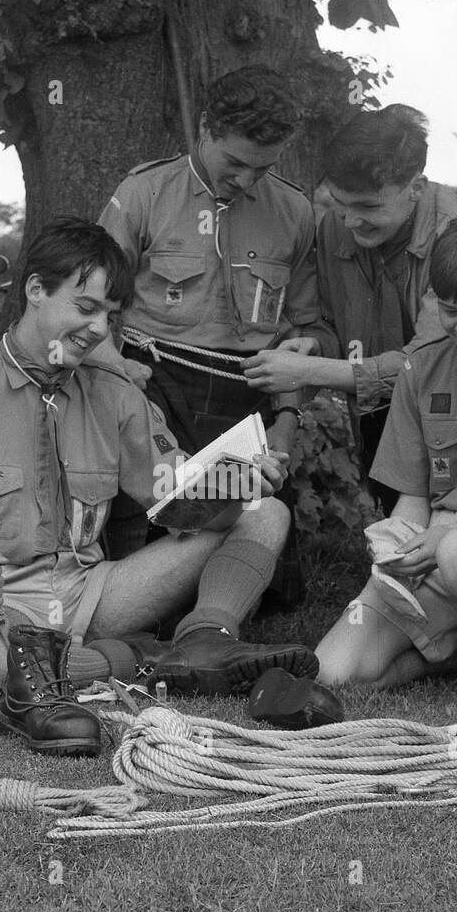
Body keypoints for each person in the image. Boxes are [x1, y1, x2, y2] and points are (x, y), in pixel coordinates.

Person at [0, 219, 317, 748]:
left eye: (110, 315)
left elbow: (180, 504)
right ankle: (140, 661)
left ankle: (205, 641)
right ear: (36, 290)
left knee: (266, 514)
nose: (101, 330)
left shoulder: (116, 395)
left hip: (96, 594)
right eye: (86, 309)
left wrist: (239, 483)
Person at [96, 65, 329, 590]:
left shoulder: (294, 211)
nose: (246, 181)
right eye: (235, 162)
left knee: (272, 588)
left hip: (249, 397)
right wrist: (117, 381)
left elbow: (304, 330)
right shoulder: (143, 194)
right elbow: (93, 302)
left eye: (262, 169)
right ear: (204, 128)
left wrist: (285, 423)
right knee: (155, 563)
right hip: (154, 390)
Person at [315, 206, 457, 693]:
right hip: (443, 552)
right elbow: (413, 496)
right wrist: (399, 545)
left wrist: (448, 541)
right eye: (449, 310)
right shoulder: (419, 370)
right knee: (334, 671)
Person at [242, 104, 457, 510]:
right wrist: (314, 346)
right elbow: (329, 323)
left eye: (368, 208)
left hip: (456, 425)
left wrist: (311, 370)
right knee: (390, 537)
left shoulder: (456, 233)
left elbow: (429, 364)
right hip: (376, 421)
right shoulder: (334, 226)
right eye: (339, 202)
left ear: (416, 187)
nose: (349, 221)